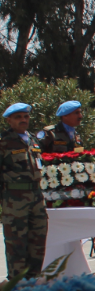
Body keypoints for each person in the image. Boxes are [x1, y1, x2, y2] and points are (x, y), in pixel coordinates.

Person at [0, 102, 47, 278]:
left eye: (26, 116)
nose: (23, 120)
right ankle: (16, 283)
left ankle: (33, 281)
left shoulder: (33, 140)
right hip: (14, 199)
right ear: (9, 120)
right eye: (18, 117)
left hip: (36, 197)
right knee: (16, 245)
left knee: (38, 242)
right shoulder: (4, 141)